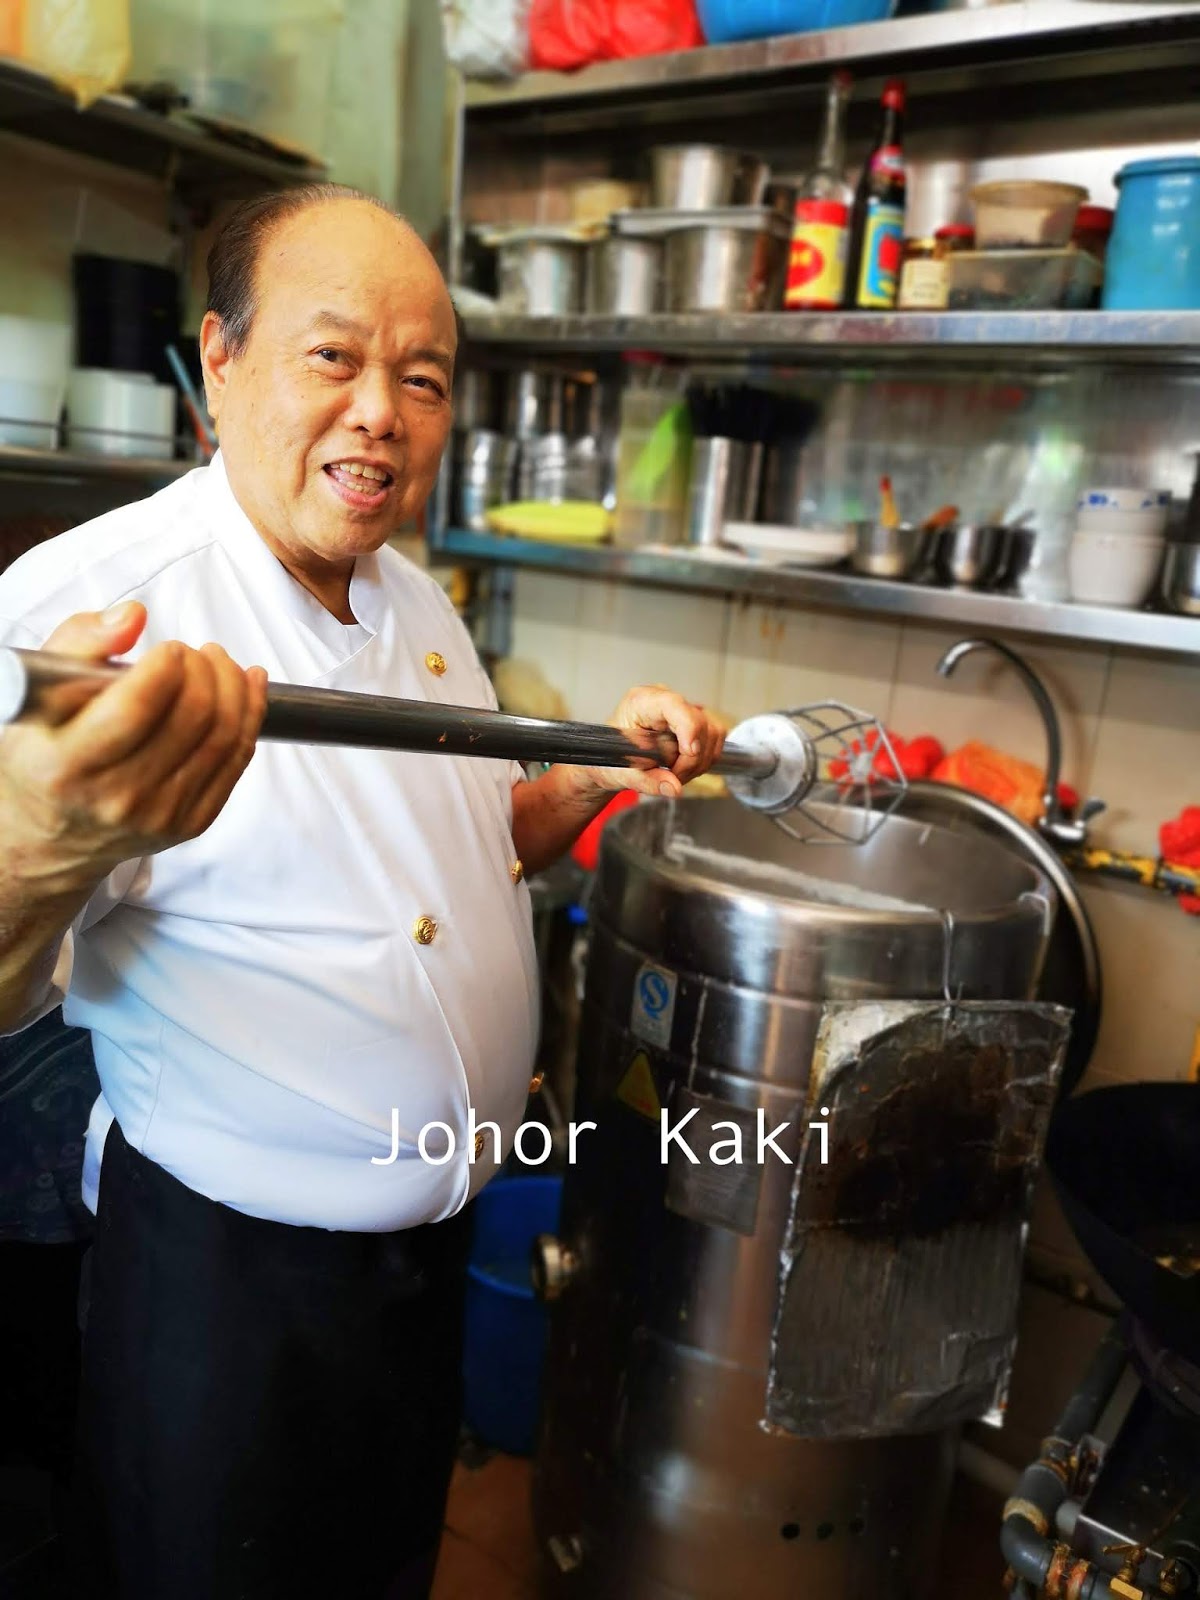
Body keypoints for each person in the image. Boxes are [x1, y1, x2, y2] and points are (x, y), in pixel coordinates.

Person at [0, 184, 725, 1599]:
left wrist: (576, 786)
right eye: (333, 356)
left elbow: (442, 860)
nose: (382, 413)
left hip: (422, 1263)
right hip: (231, 1290)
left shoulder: (413, 598)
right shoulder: (92, 612)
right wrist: (47, 835)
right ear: (220, 361)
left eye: (424, 379)